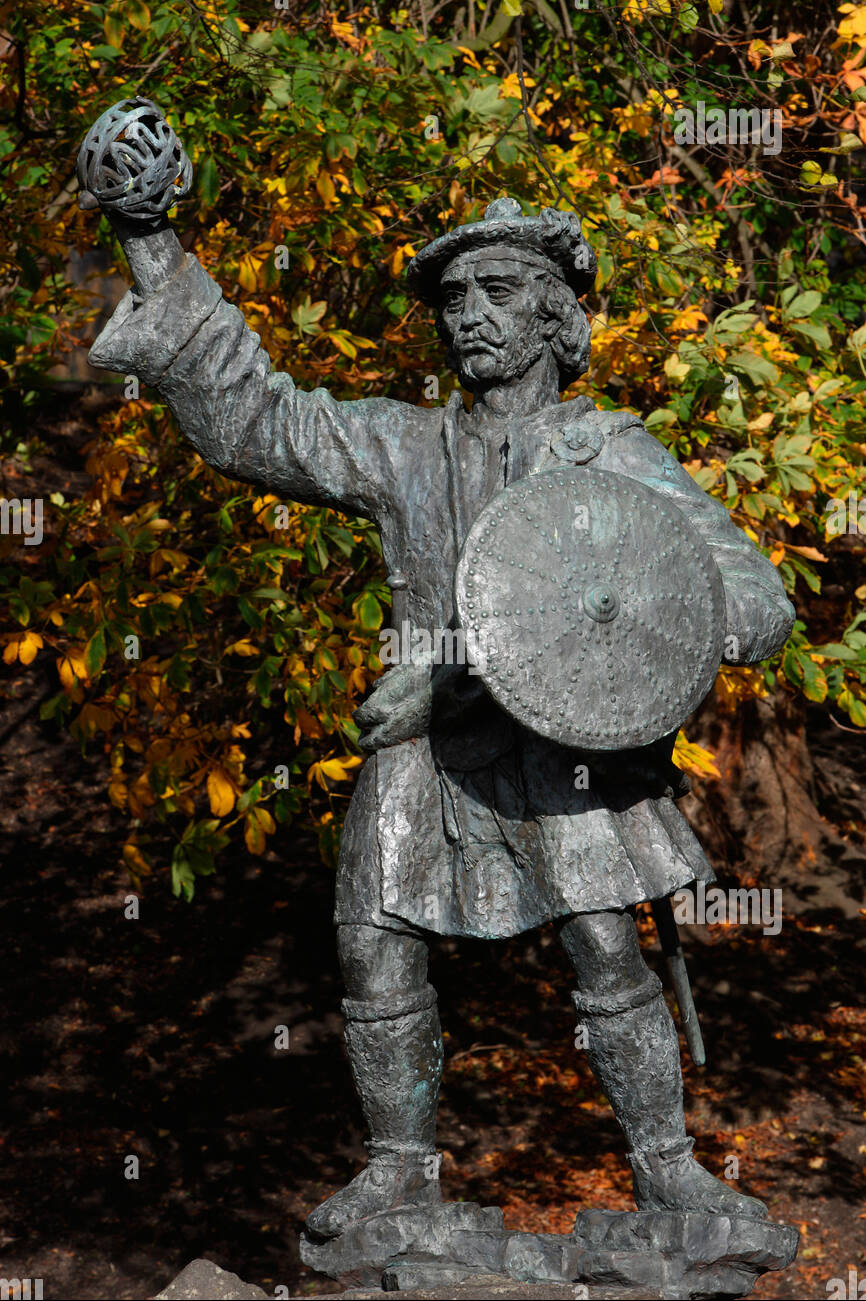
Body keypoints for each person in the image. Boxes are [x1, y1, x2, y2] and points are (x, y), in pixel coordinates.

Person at [89, 196, 794, 1239]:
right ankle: (398, 1172)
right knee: (370, 942)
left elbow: (751, 600)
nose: (469, 313)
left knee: (602, 942)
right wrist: (150, 238)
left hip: (565, 750)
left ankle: (668, 1172)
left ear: (556, 317)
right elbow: (255, 421)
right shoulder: (399, 444)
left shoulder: (613, 451)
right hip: (422, 745)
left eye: (497, 291)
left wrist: (646, 624)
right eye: (452, 298)